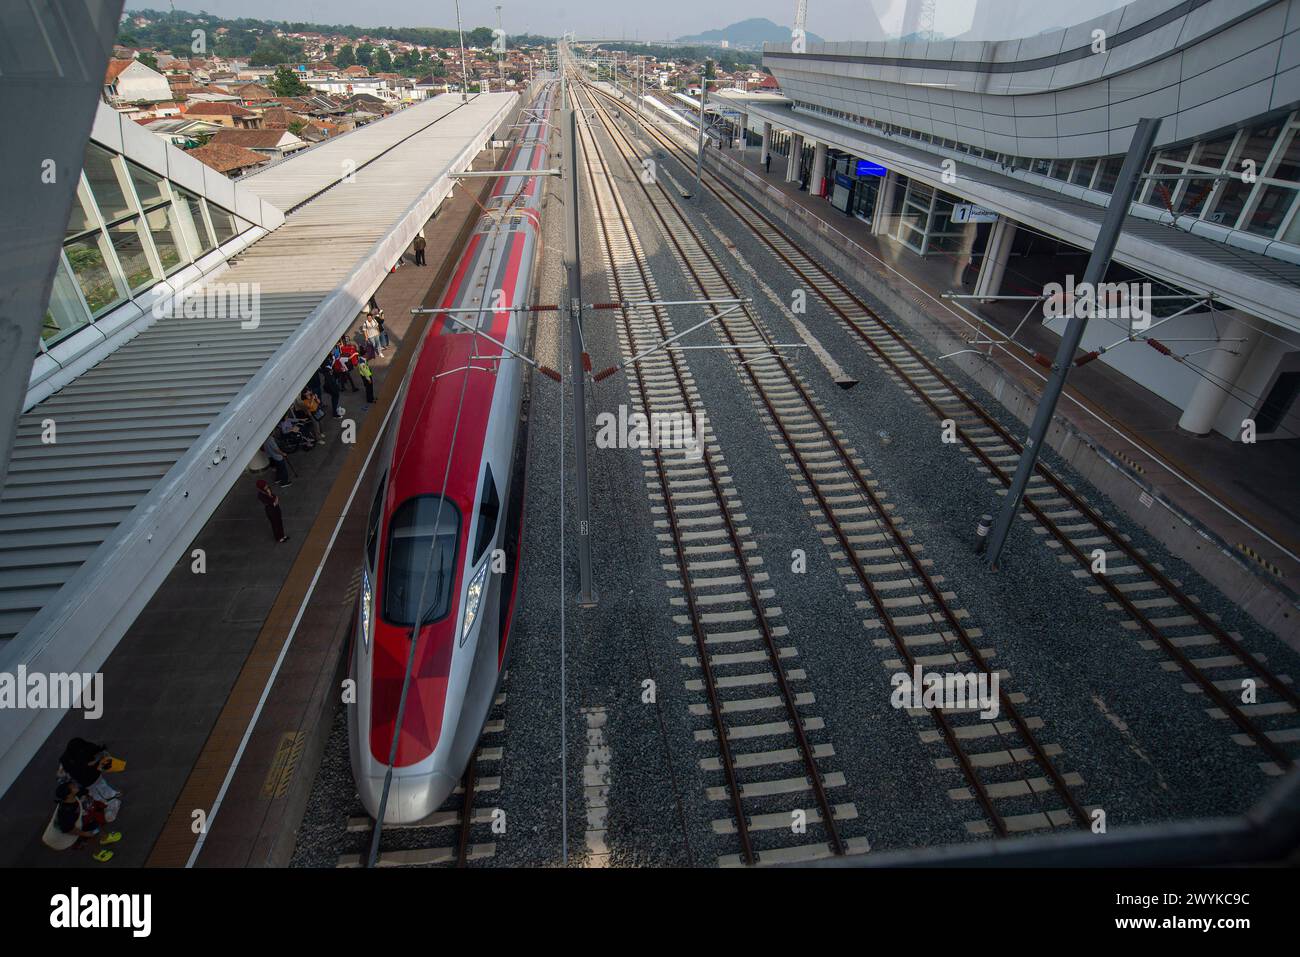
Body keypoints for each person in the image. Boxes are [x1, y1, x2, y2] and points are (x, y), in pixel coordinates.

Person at [47, 781, 121, 862]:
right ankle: (97, 853)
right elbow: (67, 828)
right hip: (80, 829)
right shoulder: (66, 812)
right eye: (73, 787)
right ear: (68, 795)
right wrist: (84, 833)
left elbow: (84, 791)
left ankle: (105, 838)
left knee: (97, 826)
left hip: (87, 819)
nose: (76, 786)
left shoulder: (76, 795)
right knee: (90, 840)